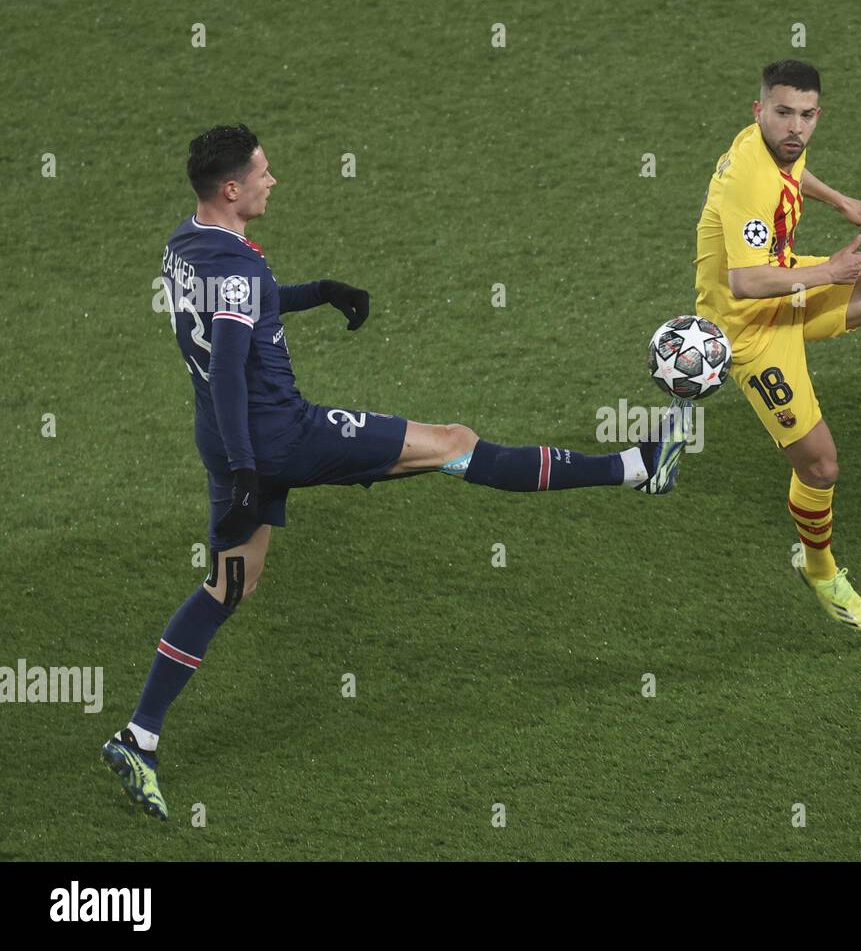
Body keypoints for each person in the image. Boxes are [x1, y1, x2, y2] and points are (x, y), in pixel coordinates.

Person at [101, 123, 687, 820]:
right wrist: (253, 468)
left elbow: (230, 312)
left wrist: (317, 291)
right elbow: (230, 364)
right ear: (231, 189)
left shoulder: (186, 244)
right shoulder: (237, 268)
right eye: (262, 171)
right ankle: (636, 465)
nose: (272, 179)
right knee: (453, 442)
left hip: (223, 442)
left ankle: (138, 737)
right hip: (281, 438)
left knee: (230, 584)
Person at [695, 60, 861, 632]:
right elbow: (745, 282)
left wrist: (840, 201)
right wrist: (830, 273)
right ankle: (819, 569)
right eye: (783, 113)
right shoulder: (749, 174)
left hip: (789, 283)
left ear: (817, 114)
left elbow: (794, 179)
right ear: (758, 111)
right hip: (750, 329)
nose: (795, 127)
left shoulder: (778, 148)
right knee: (820, 466)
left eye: (807, 115)